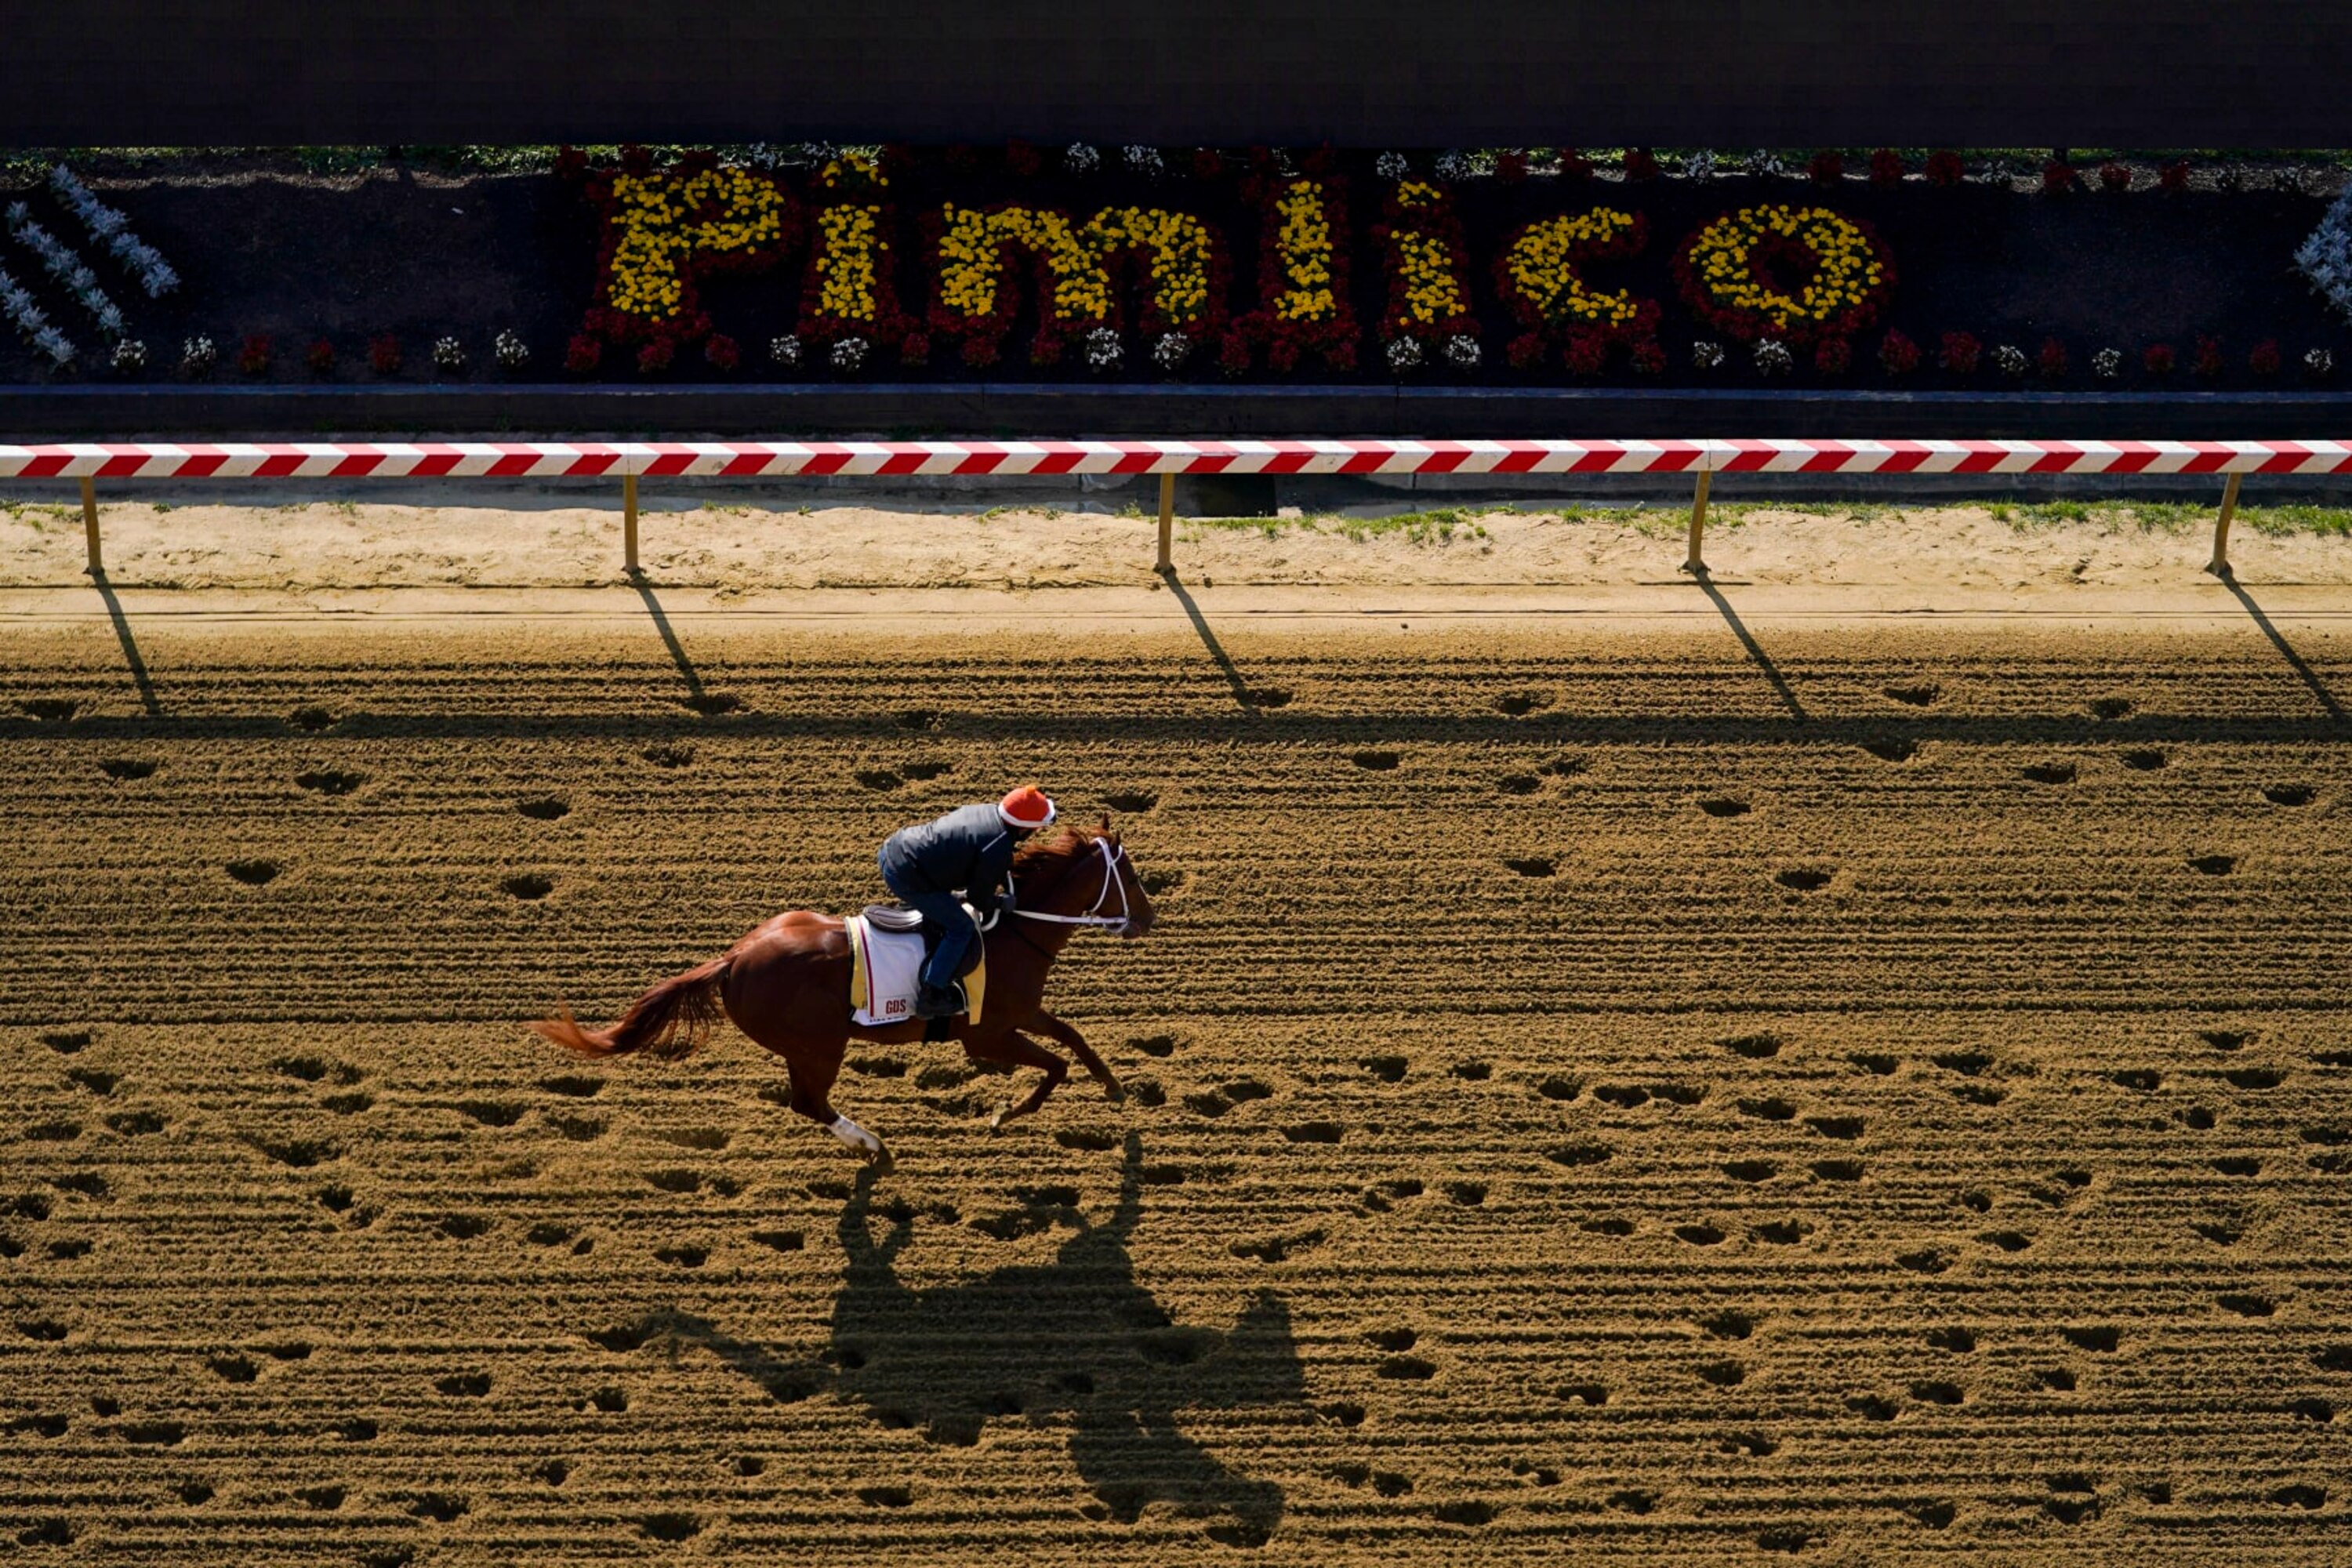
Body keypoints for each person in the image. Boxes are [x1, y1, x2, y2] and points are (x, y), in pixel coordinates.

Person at [877, 786, 1057, 1018]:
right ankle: (931, 995)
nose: (1037, 831)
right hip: (905, 875)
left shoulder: (987, 811)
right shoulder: (998, 847)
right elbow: (978, 900)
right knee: (961, 927)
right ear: (1023, 826)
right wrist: (1000, 903)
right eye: (1037, 827)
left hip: (895, 848)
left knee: (949, 904)